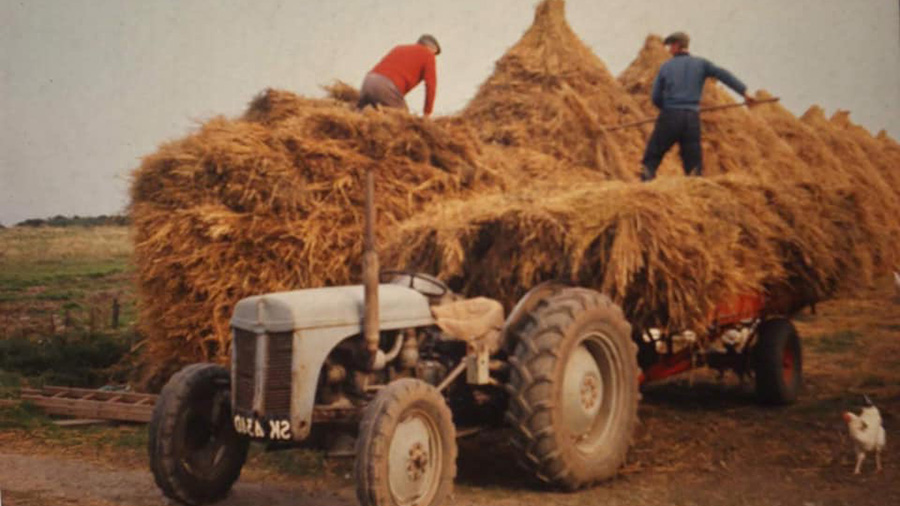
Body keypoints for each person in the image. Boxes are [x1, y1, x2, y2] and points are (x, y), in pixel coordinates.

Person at [640, 31, 755, 181]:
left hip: (671, 116)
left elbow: (655, 97)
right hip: (692, 119)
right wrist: (744, 92)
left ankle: (647, 190)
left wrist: (667, 109)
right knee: (693, 165)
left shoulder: (666, 67)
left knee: (652, 157)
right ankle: (695, 192)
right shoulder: (701, 64)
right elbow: (724, 75)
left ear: (676, 46)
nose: (669, 50)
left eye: (670, 46)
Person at [357, 34, 440, 117]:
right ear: (431, 48)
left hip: (368, 82)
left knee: (365, 116)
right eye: (434, 53)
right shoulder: (428, 55)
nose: (434, 57)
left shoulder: (399, 48)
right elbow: (431, 85)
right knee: (405, 120)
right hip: (385, 87)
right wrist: (427, 114)